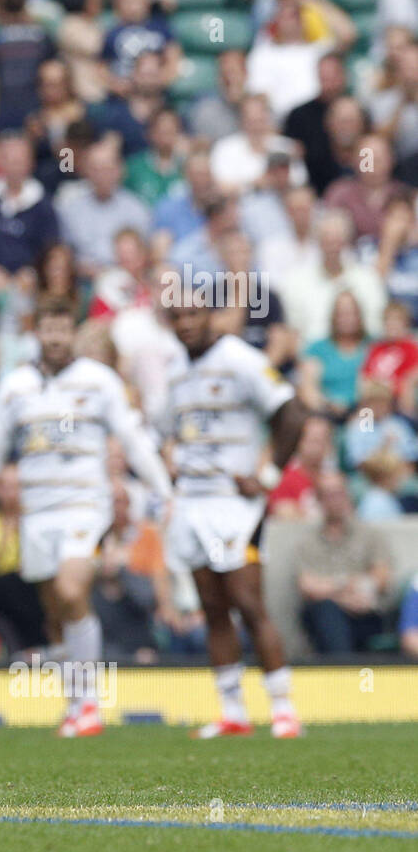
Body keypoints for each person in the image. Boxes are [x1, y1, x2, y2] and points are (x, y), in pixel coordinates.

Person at [0, 299, 172, 737]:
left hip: (86, 506)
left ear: (74, 332)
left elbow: (133, 438)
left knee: (70, 587)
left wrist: (163, 489)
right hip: (37, 512)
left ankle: (90, 703)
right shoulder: (17, 385)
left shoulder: (99, 381)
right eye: (49, 328)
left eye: (65, 328)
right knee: (54, 610)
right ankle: (73, 703)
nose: (57, 337)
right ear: (36, 331)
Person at [163, 295, 309, 739]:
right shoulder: (175, 374)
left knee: (248, 603)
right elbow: (159, 431)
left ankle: (283, 710)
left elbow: (291, 412)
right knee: (212, 607)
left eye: (194, 314)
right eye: (178, 317)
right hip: (192, 503)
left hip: (235, 505)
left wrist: (266, 475)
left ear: (211, 316)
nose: (187, 323)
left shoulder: (240, 359)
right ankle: (233, 712)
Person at [296, 472, 392, 653]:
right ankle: (343, 668)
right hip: (325, 613)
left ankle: (342, 668)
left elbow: (381, 577)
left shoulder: (369, 534)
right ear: (319, 500)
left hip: (364, 610)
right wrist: (344, 589)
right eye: (329, 495)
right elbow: (307, 586)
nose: (336, 500)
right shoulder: (308, 542)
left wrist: (358, 589)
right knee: (326, 612)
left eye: (340, 493)